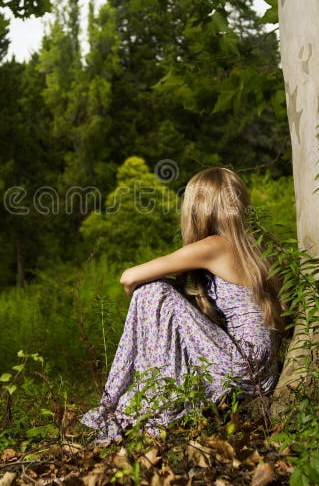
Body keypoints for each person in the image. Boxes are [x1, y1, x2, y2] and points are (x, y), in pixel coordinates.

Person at [81, 167, 285, 442]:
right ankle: (149, 400)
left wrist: (146, 294)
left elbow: (129, 277)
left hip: (239, 365)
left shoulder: (215, 246)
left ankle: (139, 405)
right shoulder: (257, 248)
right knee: (166, 292)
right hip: (261, 372)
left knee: (152, 291)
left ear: (198, 209)